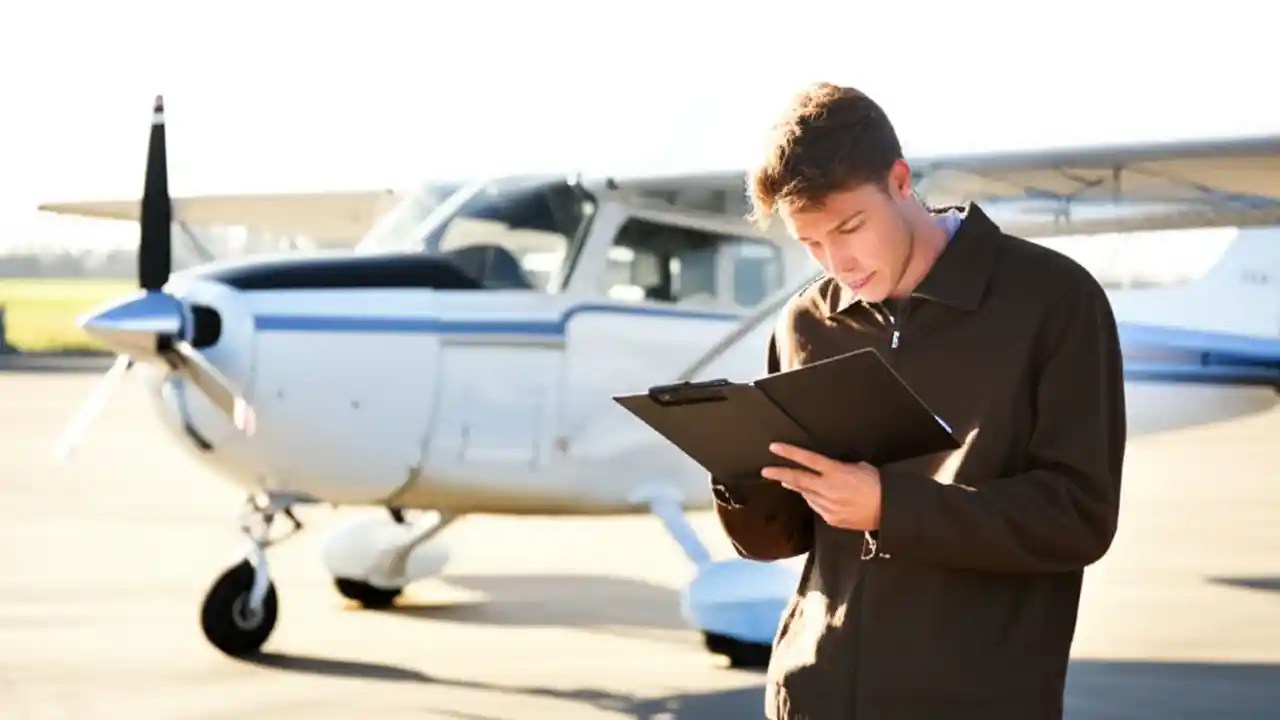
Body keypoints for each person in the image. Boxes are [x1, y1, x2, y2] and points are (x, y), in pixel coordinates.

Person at [711, 82, 1126, 719]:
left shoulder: (1053, 301)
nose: (837, 261)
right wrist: (738, 471)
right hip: (811, 697)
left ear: (901, 182)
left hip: (973, 703)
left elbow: (1078, 516)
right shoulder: (804, 322)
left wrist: (888, 506)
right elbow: (783, 539)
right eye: (811, 243)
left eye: (850, 227)